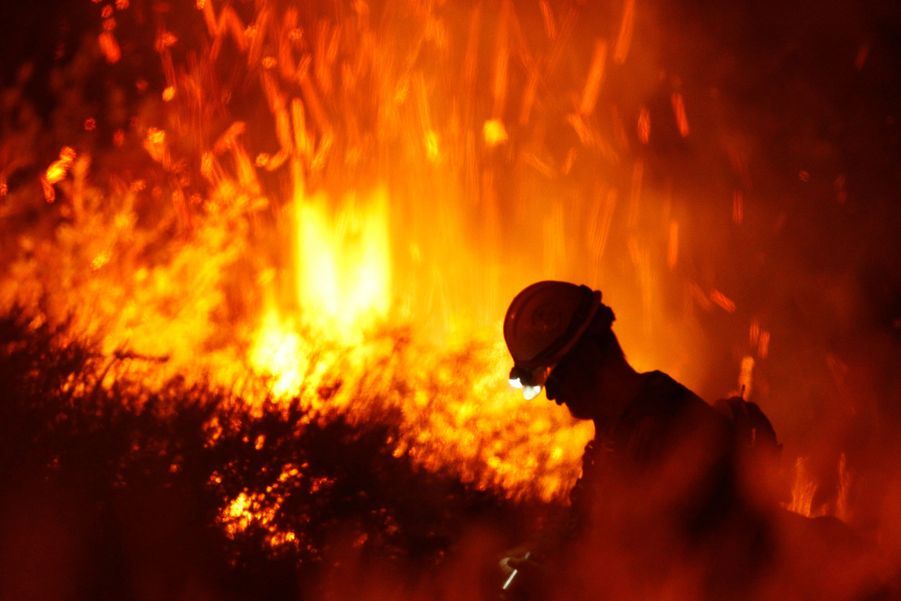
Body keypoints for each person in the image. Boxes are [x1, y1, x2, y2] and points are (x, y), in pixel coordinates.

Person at [500, 281, 780, 600]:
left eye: (554, 375)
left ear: (590, 356)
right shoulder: (613, 434)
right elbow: (581, 531)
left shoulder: (668, 425)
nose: (553, 394)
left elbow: (656, 565)